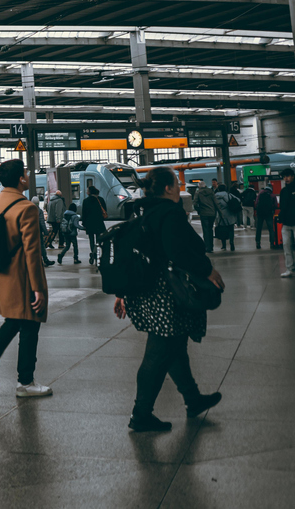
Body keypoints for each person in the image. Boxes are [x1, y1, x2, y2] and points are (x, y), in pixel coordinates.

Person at [114, 167, 224, 432]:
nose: (178, 186)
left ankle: (193, 399)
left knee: (174, 347)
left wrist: (122, 294)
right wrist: (208, 271)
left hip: (150, 291)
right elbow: (178, 251)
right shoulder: (169, 213)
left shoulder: (145, 211)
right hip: (167, 294)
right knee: (157, 353)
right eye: (176, 182)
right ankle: (141, 415)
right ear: (167, 188)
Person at [0, 159, 52, 398]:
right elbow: (32, 253)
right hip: (21, 277)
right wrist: (38, 288)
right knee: (30, 324)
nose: (27, 176)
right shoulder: (26, 208)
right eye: (25, 173)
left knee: (14, 321)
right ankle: (25, 382)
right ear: (20, 178)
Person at [82, 185, 107, 266]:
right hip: (99, 223)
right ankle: (98, 253)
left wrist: (84, 224)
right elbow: (105, 211)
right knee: (99, 240)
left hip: (89, 223)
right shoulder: (100, 200)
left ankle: (93, 253)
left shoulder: (85, 201)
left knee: (91, 240)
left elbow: (84, 214)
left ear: (89, 192)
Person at [193, 180, 218, 252]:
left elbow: (195, 203)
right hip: (212, 213)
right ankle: (211, 246)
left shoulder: (198, 192)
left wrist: (198, 210)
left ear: (199, 186)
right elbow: (216, 202)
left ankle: (208, 247)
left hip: (204, 213)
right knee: (210, 229)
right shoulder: (211, 191)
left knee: (206, 230)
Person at [213, 183, 237, 252]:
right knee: (231, 229)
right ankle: (231, 243)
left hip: (220, 215)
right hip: (229, 214)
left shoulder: (215, 196)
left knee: (222, 230)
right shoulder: (229, 195)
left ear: (218, 189)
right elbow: (237, 200)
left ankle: (223, 245)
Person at [280, 169, 295, 278]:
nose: (286, 178)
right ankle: (289, 268)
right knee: (286, 246)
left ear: (293, 176)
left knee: (288, 246)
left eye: (288, 176)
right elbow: (282, 207)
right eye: (284, 176)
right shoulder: (283, 191)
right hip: (286, 223)